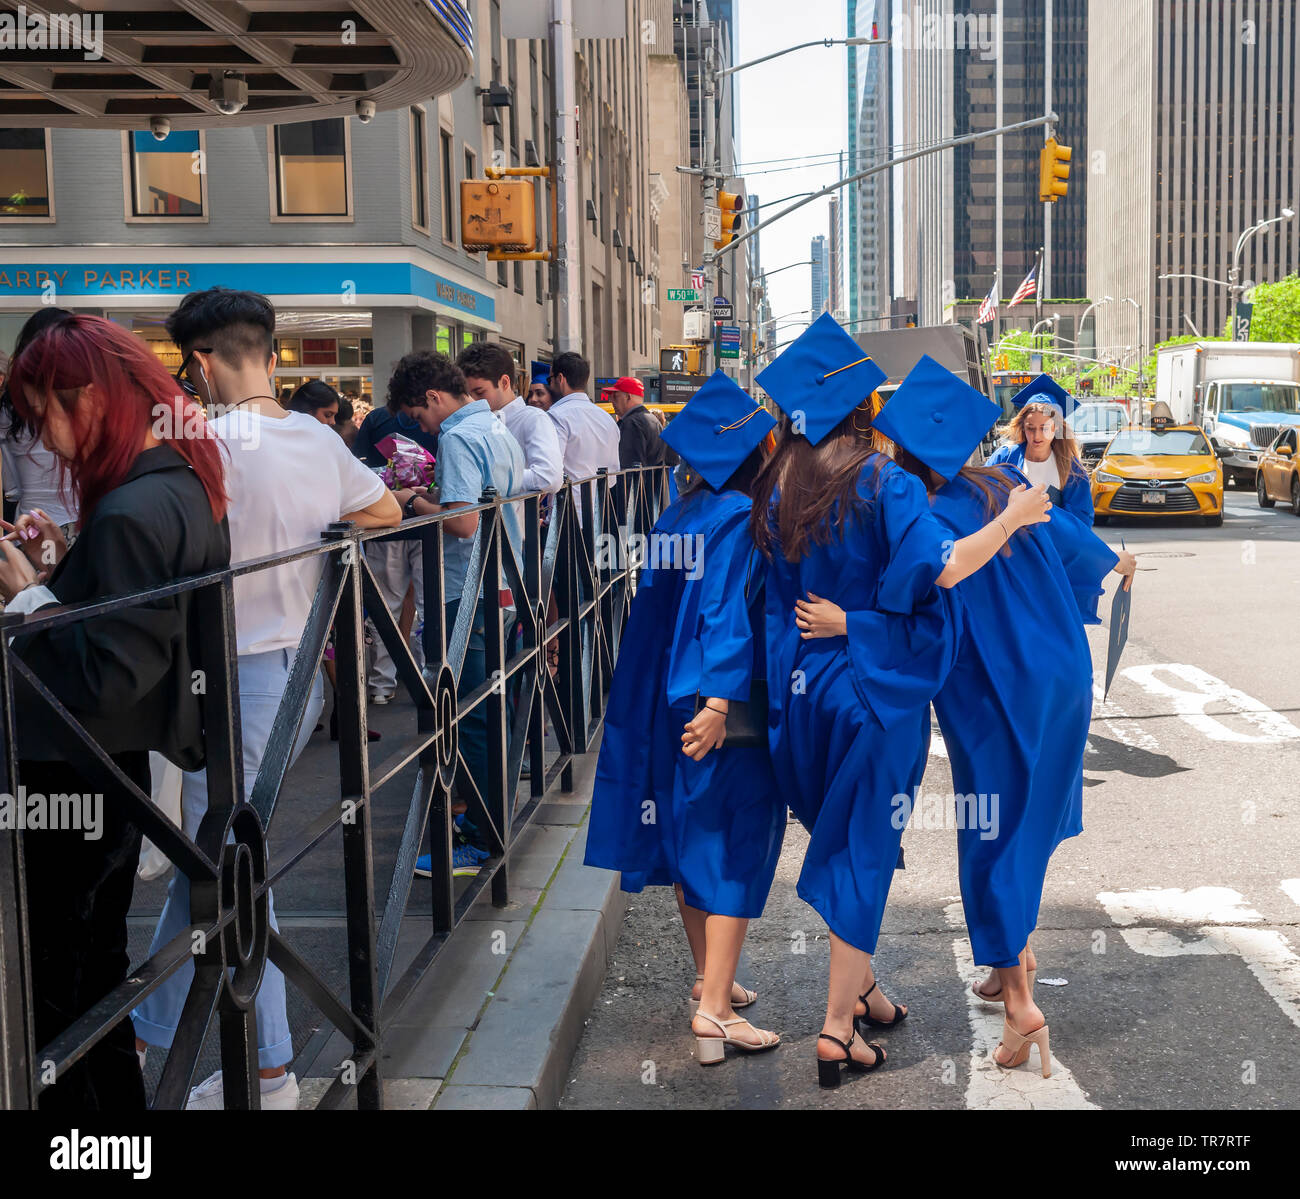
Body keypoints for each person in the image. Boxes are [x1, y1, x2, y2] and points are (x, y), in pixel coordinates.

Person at [796, 354, 1135, 1078]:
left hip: (996, 690)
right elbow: (1079, 546)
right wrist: (1119, 562)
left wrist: (847, 625)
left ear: (903, 450)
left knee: (991, 834)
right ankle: (1016, 960)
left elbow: (911, 606)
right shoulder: (1006, 482)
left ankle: (1020, 1005)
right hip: (1063, 675)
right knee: (1025, 824)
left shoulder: (922, 513)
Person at [752, 314, 1051, 1088]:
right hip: (868, 687)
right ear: (863, 407)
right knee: (863, 851)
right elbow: (943, 569)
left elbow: (764, 597)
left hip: (801, 692)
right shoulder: (879, 480)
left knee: (849, 836)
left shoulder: (777, 482)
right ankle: (835, 1028)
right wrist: (1015, 515)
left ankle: (866, 988)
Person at [130, 287, 401, 1110]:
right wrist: (315, 542)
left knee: (230, 864)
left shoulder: (196, 439)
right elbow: (384, 509)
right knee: (224, 860)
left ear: (199, 363)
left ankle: (265, 1066)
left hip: (225, 672)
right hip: (298, 671)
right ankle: (159, 1035)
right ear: (274, 356)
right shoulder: (316, 441)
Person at [0, 314, 230, 1111]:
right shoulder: (177, 479)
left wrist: (26, 595)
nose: (43, 440)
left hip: (73, 770)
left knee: (53, 988)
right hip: (115, 774)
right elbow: (128, 625)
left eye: (43, 414)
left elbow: (107, 675)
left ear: (91, 398)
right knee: (92, 971)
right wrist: (63, 562)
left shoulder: (134, 506)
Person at [586, 372, 785, 1065]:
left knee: (690, 844)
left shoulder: (678, 515)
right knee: (736, 844)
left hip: (664, 700)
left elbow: (655, 620)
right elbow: (725, 616)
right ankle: (714, 1012)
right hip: (715, 705)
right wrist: (722, 701)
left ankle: (710, 977)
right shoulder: (738, 517)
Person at [385, 352, 526, 877]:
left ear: (433, 398)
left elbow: (464, 524)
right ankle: (494, 825)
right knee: (491, 712)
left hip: (469, 591)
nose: (421, 427)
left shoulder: (457, 437)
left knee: (467, 716)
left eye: (418, 417)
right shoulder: (496, 427)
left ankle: (481, 838)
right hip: (503, 584)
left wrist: (415, 503)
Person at [1, 307, 80, 546]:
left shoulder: (9, 410)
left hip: (30, 528)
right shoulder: (85, 403)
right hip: (83, 526)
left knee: (33, 584)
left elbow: (11, 487)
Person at [458, 342, 563, 496]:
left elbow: (549, 477)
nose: (473, 400)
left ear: (505, 382)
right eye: (468, 394)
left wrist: (484, 477)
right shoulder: (475, 421)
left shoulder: (533, 419)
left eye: (479, 392)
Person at [987, 375, 1094, 523]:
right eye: (1031, 428)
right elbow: (983, 497)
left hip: (1051, 543)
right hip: (1009, 541)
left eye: (1044, 428)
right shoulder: (1004, 457)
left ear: (1056, 428)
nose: (1037, 436)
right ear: (1023, 427)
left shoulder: (1072, 469)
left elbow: (1080, 521)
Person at [546, 351, 620, 484]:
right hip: (603, 501)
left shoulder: (557, 416)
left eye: (549, 379)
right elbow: (613, 475)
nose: (549, 385)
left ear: (560, 379)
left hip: (569, 501)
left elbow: (550, 470)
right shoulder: (608, 419)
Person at [352, 382, 440, 467]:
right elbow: (358, 459)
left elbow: (357, 460)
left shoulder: (376, 418)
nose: (424, 428)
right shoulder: (375, 419)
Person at [609, 375, 678, 470]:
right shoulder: (654, 421)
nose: (611, 400)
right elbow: (672, 460)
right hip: (655, 483)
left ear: (628, 397)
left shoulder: (631, 423)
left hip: (640, 483)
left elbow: (629, 467)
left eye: (615, 396)